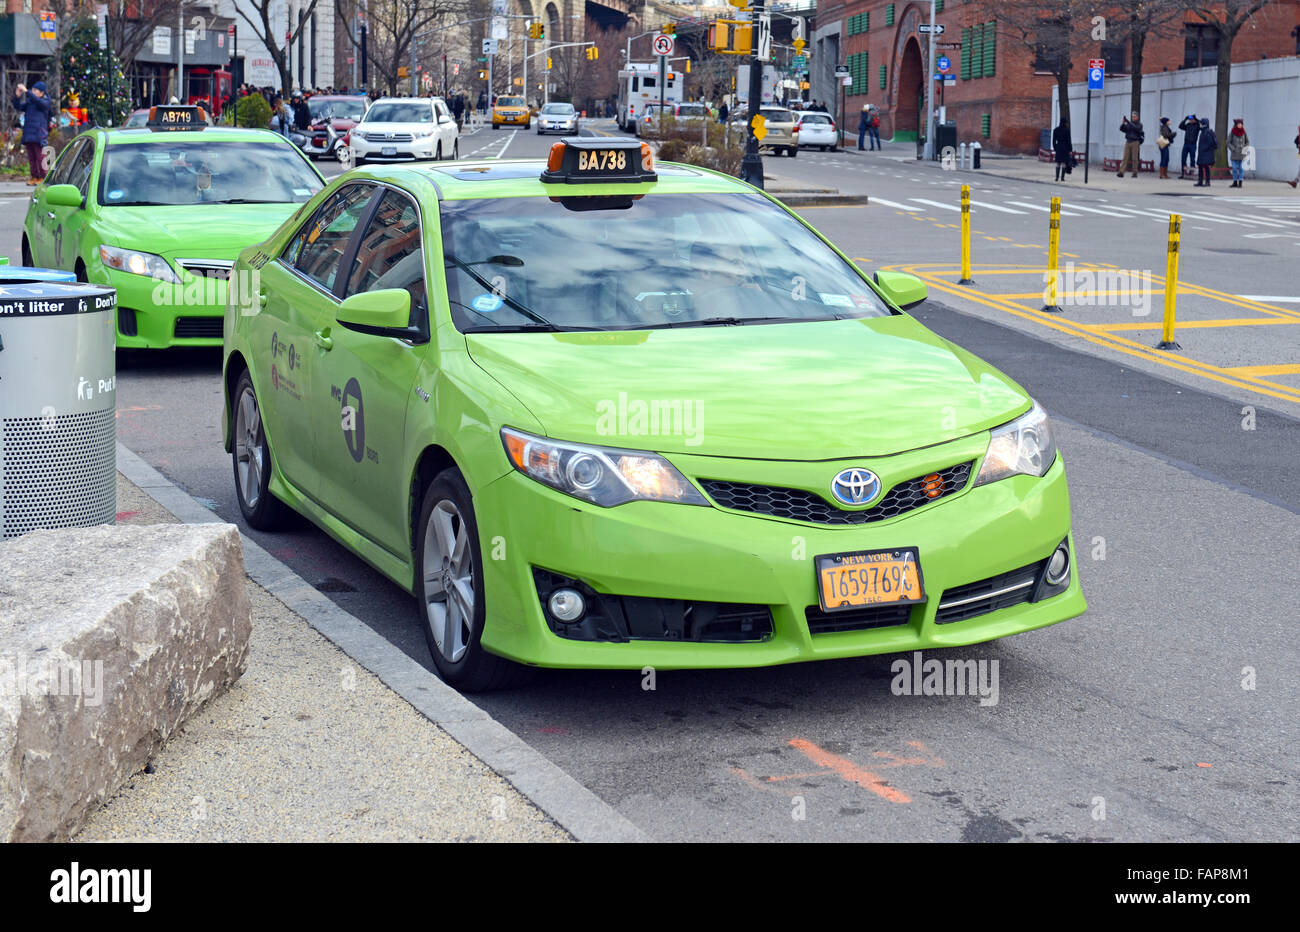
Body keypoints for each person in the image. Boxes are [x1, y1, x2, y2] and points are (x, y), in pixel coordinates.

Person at [13, 80, 52, 186]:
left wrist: (27, 91)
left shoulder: (45, 102)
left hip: (39, 134)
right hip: (29, 134)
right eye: (32, 90)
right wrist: (17, 96)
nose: (33, 92)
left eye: (35, 90)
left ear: (42, 92)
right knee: (32, 158)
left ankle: (44, 178)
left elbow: (37, 101)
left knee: (40, 158)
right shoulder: (30, 102)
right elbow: (18, 107)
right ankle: (34, 177)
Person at [1117, 111, 1143, 177]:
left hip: (1135, 142)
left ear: (1137, 117)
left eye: (1134, 117)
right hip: (1128, 141)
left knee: (1134, 158)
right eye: (1132, 117)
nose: (1133, 118)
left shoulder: (1139, 124)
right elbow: (1122, 129)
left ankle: (1134, 173)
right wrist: (1123, 123)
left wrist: (1128, 122)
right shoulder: (1129, 124)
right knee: (1125, 157)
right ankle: (1121, 172)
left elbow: (1136, 128)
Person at [1227, 118, 1249, 188]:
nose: (1240, 125)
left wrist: (1245, 149)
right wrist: (1233, 149)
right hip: (1234, 154)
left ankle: (1240, 182)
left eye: (1241, 124)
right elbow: (1228, 142)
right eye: (1238, 124)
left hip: (1242, 154)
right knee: (1234, 168)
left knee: (1241, 169)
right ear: (1236, 125)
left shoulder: (1244, 132)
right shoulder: (1232, 132)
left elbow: (1247, 142)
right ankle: (1235, 182)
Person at [1195, 116, 1217, 187]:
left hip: (1206, 153)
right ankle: (1200, 181)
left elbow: (1210, 143)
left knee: (1206, 168)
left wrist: (1204, 149)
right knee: (1200, 167)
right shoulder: (1203, 131)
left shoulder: (1208, 132)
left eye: (1201, 123)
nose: (1200, 124)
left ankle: (1207, 182)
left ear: (1204, 124)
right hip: (1202, 153)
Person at [1178, 113, 1200, 178]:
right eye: (1190, 119)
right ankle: (1183, 173)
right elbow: (1180, 126)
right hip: (1186, 144)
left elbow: (1201, 124)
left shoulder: (1197, 125)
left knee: (1192, 159)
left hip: (1193, 144)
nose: (1191, 120)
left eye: (1192, 119)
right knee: (1183, 158)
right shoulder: (1188, 125)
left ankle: (1191, 172)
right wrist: (1185, 119)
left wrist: (1196, 119)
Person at [1052, 118, 1073, 182]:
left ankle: (1056, 178)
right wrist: (1070, 149)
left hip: (1058, 146)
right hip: (1065, 147)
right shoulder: (1067, 130)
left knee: (1058, 163)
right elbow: (1069, 141)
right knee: (1064, 163)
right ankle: (1062, 178)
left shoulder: (1056, 130)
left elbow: (1053, 140)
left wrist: (1055, 148)